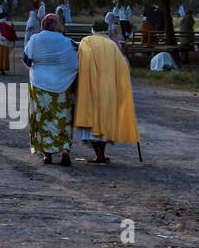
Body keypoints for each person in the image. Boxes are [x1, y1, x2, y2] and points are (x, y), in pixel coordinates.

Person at [73, 20, 140, 164]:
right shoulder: (112, 45)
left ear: (92, 30)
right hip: (109, 90)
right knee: (104, 121)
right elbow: (123, 68)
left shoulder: (86, 41)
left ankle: (100, 156)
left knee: (92, 122)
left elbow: (80, 63)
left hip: (91, 87)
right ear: (106, 31)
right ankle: (100, 154)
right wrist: (123, 88)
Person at [22, 13, 78, 166]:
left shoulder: (35, 39)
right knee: (63, 119)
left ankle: (47, 155)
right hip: (63, 87)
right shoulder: (67, 42)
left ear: (43, 25)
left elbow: (26, 59)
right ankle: (64, 150)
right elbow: (76, 61)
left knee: (43, 119)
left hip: (40, 87)